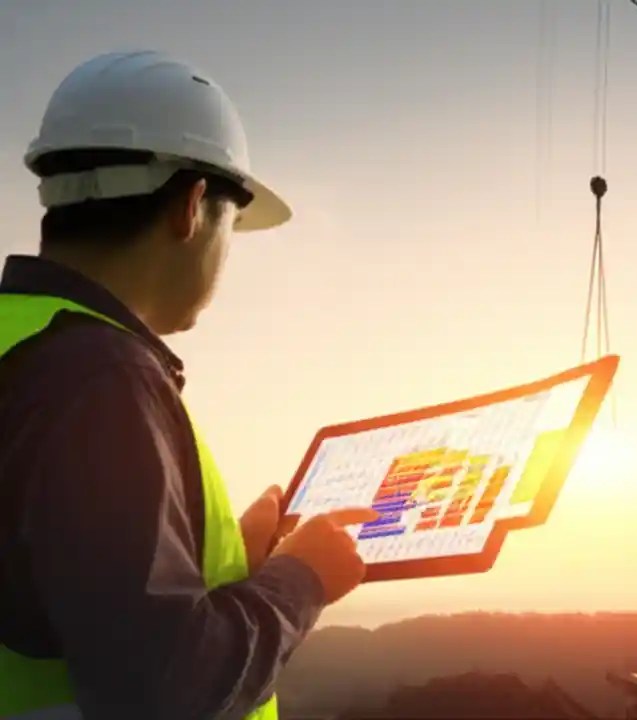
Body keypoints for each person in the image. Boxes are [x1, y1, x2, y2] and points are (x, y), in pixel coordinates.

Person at [0, 51, 379, 719]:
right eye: (233, 226)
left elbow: (64, 575)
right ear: (193, 207)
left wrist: (228, 560)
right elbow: (158, 685)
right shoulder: (98, 377)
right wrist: (302, 580)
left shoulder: (24, 341)